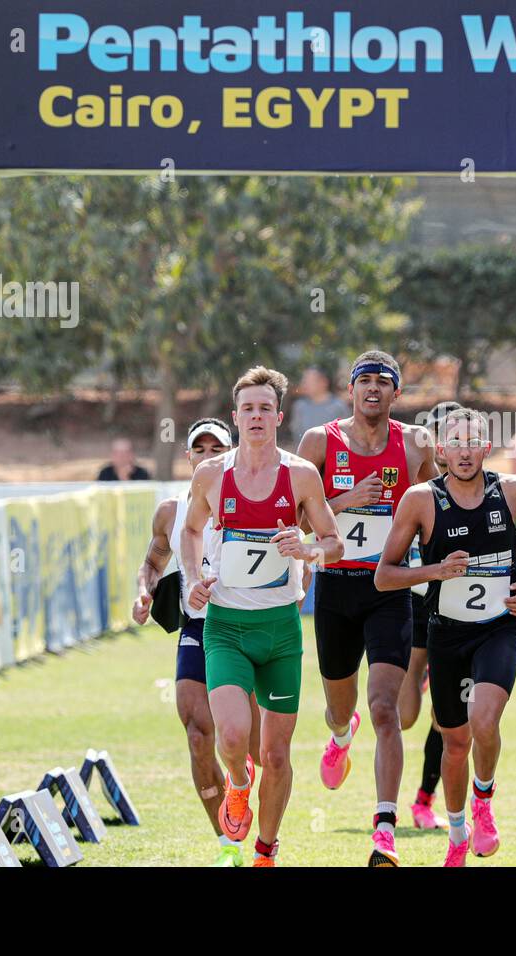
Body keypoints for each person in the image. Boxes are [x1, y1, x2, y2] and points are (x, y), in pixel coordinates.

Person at [375, 407, 516, 866]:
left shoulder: (513, 491)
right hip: (447, 633)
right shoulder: (421, 500)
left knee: (485, 719)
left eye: (472, 442)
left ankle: (484, 801)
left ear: (485, 448)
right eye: (454, 443)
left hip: (499, 628)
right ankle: (457, 834)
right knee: (454, 743)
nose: (463, 451)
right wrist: (436, 570)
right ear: (441, 450)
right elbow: (384, 575)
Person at [182, 367, 344, 867]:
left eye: (265, 408)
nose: (256, 416)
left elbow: (334, 543)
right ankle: (237, 782)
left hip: (280, 631)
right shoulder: (211, 475)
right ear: (235, 417)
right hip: (226, 626)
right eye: (248, 408)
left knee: (276, 754)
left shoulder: (301, 475)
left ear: (279, 416)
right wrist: (192, 579)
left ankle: (266, 850)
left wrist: (309, 549)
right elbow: (190, 531)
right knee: (232, 737)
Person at [296, 350, 438, 867]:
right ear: (350, 389)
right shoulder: (319, 442)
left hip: (388, 589)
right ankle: (340, 734)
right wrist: (346, 499)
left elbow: (436, 507)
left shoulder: (416, 443)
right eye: (364, 381)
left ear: (397, 393)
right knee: (341, 708)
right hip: (336, 589)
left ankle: (384, 830)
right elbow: (295, 521)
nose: (373, 389)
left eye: (383, 381)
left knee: (385, 709)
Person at [131, 419, 251, 866]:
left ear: (232, 453)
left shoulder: (254, 499)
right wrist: (144, 591)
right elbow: (153, 561)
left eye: (216, 449)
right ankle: (228, 846)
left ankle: (249, 805)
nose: (206, 456)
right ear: (188, 457)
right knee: (199, 735)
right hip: (199, 628)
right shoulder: (171, 511)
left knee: (254, 747)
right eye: (198, 449)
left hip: (251, 627)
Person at [398, 399, 462, 830]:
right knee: (404, 717)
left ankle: (424, 800)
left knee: (447, 716)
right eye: (442, 435)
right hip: (418, 600)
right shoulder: (414, 486)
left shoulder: (479, 485)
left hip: (458, 609)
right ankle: (410, 680)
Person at [289, 365, 349, 448]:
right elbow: (296, 435)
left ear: (323, 382)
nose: (304, 384)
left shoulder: (339, 406)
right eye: (304, 380)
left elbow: (346, 435)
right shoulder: (299, 406)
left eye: (309, 380)